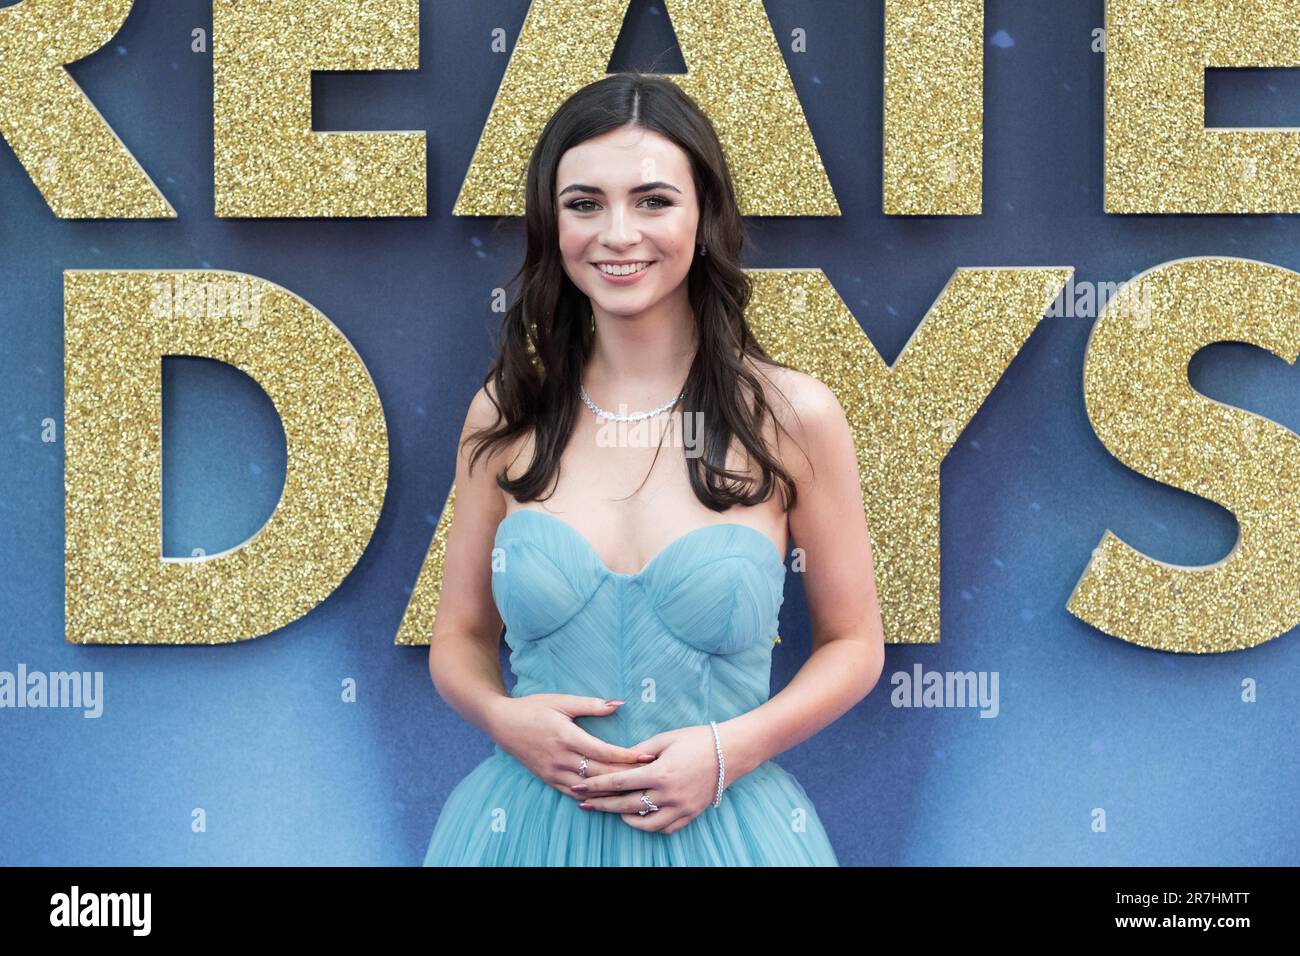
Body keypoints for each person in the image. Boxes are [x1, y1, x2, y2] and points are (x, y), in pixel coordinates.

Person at [423, 71, 884, 865]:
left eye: (653, 200)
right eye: (584, 203)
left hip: (728, 834)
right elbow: (459, 638)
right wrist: (506, 721)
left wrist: (728, 751)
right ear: (552, 222)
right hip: (520, 836)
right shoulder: (506, 414)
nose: (617, 234)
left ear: (703, 215)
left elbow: (854, 643)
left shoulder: (793, 416)